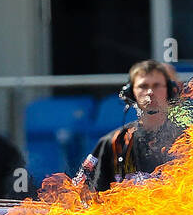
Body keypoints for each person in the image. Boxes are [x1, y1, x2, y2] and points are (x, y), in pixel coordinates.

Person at [74, 60, 185, 191]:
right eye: (143, 86)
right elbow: (88, 196)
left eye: (157, 85)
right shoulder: (113, 142)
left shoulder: (189, 140)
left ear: (170, 91)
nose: (150, 92)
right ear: (131, 93)